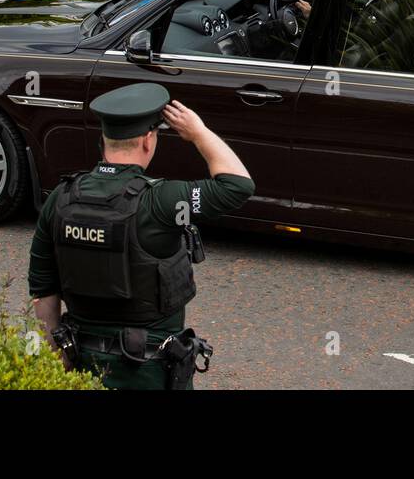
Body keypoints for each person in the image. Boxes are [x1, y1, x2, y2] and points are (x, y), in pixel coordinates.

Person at [27, 83, 255, 390]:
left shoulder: (61, 198)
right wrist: (198, 132)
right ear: (148, 140)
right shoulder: (161, 201)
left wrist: (58, 357)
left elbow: (43, 290)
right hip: (149, 372)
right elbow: (237, 185)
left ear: (103, 141)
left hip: (81, 365)